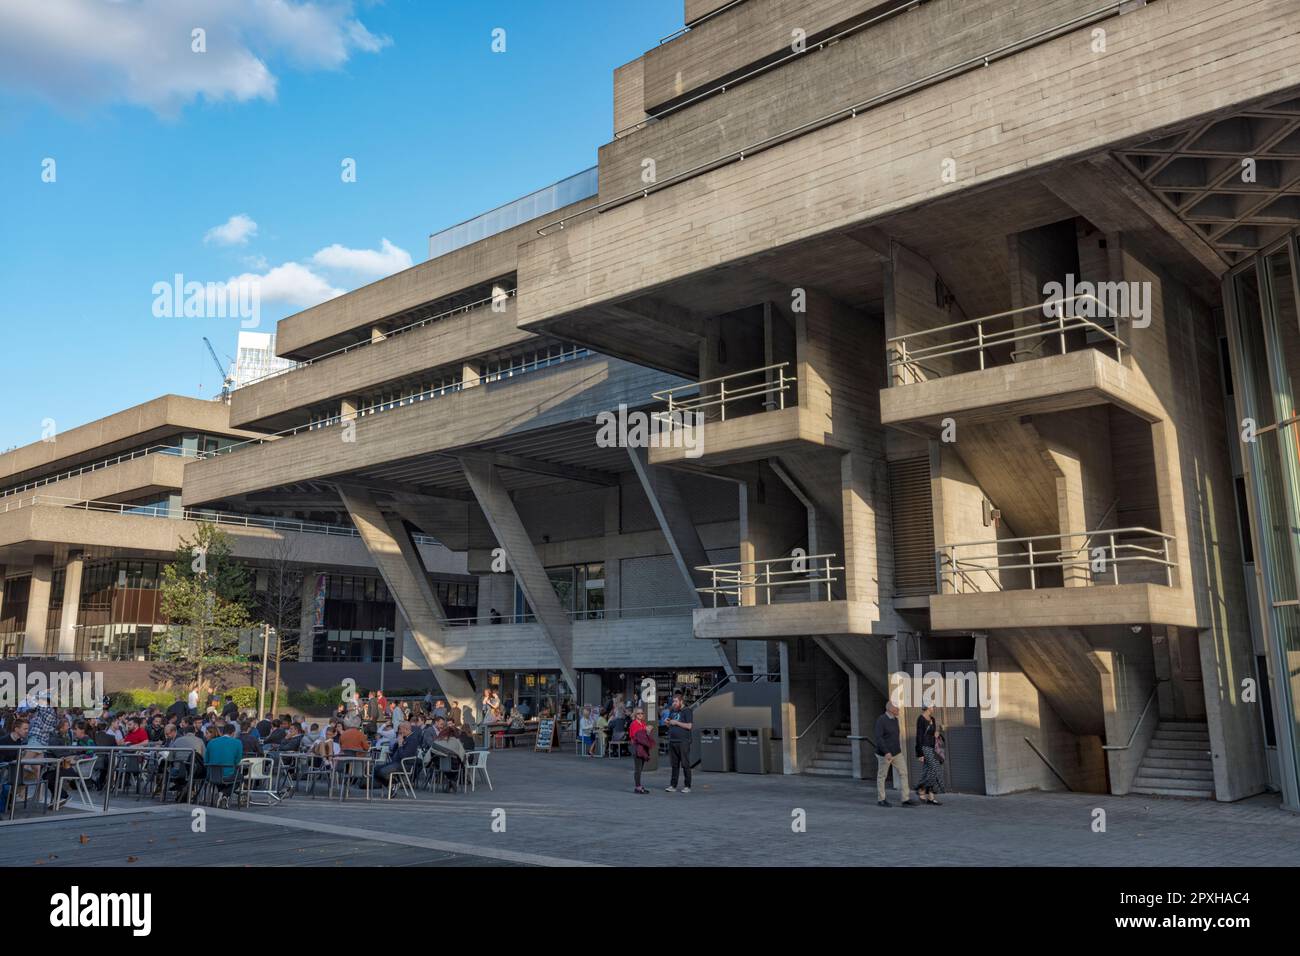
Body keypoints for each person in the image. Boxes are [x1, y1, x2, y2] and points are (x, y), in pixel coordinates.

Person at [874, 701, 916, 807]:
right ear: (890, 709)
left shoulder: (895, 720)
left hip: (896, 753)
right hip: (885, 754)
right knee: (882, 776)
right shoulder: (881, 720)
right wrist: (886, 751)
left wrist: (896, 750)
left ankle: (905, 799)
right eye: (897, 708)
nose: (899, 710)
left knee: (904, 773)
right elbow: (879, 738)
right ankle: (881, 799)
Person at [915, 705, 944, 806]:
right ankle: (920, 788)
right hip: (925, 747)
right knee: (934, 770)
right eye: (932, 707)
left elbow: (932, 733)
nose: (933, 709)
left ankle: (931, 798)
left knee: (930, 771)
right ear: (927, 708)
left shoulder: (933, 719)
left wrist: (937, 733)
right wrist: (919, 753)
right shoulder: (921, 719)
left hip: (933, 748)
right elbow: (919, 736)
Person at [664, 692, 693, 794]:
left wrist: (676, 722)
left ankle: (687, 786)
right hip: (673, 741)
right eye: (673, 701)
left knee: (685, 764)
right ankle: (673, 785)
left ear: (681, 701)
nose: (674, 703)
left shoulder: (687, 711)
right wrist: (668, 723)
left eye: (676, 701)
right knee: (674, 765)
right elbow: (672, 725)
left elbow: (689, 726)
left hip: (683, 741)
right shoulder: (673, 711)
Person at [629, 708, 654, 794]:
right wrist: (646, 731)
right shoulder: (634, 724)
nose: (640, 715)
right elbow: (637, 737)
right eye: (638, 713)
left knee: (640, 768)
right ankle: (637, 787)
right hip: (637, 747)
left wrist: (648, 731)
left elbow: (645, 736)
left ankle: (639, 785)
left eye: (642, 713)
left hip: (643, 748)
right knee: (638, 768)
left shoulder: (643, 723)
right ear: (635, 714)